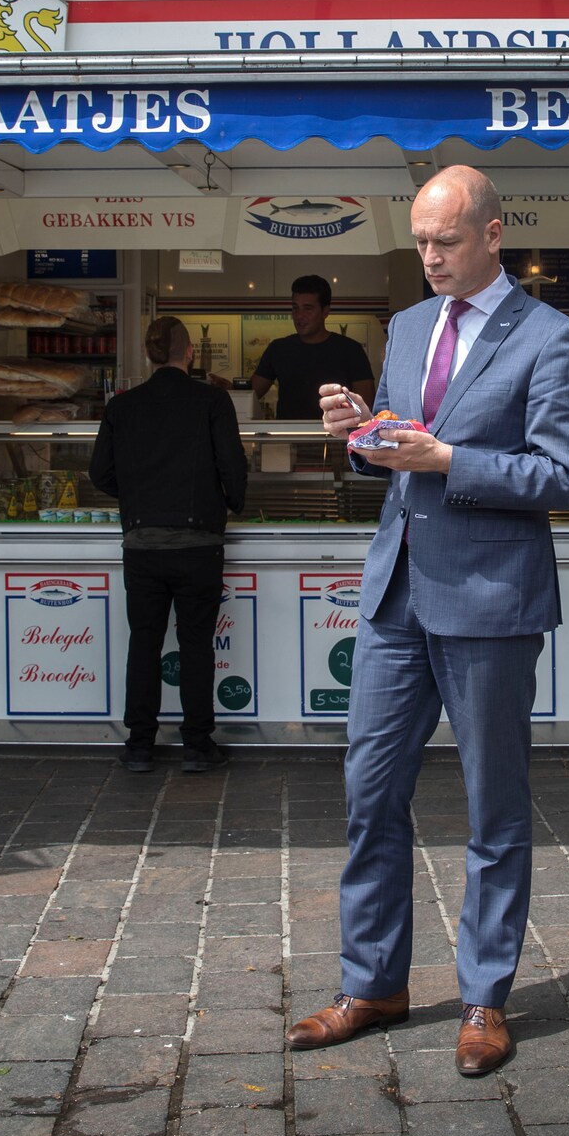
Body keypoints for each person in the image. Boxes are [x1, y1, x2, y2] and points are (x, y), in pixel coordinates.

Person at [299, 166, 569, 1078]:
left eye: (446, 240)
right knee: (368, 792)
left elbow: (561, 474)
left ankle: (484, 999)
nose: (429, 256)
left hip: (490, 599)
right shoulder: (406, 326)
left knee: (493, 805)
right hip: (396, 594)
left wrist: (448, 457)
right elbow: (395, 450)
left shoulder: (552, 336)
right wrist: (361, 432)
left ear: (493, 234)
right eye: (420, 240)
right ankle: (373, 983)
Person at [89, 315, 249, 775]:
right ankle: (197, 745)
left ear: (148, 355)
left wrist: (138, 497)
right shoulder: (212, 400)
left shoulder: (122, 406)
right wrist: (230, 503)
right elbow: (232, 465)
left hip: (142, 544)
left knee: (144, 643)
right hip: (199, 544)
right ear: (190, 353)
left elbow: (99, 472)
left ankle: (139, 745)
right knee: (196, 643)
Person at [250, 275, 376, 420]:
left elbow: (365, 407)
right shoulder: (278, 349)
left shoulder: (350, 350)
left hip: (337, 432)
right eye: (295, 308)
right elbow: (249, 394)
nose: (299, 315)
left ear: (325, 311)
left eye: (308, 309)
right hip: (288, 433)